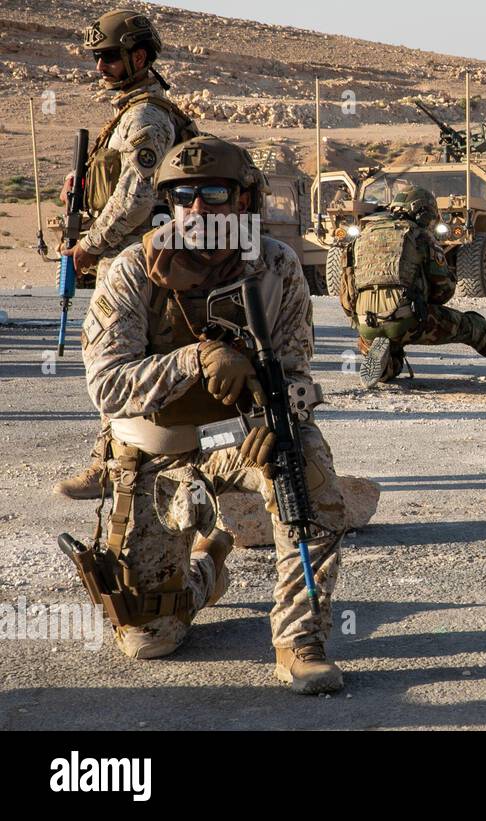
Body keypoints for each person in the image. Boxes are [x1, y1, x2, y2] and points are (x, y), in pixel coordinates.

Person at [77, 135, 348, 692]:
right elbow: (107, 386)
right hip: (157, 449)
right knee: (150, 637)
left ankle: (299, 639)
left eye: (215, 193)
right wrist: (196, 360)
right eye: (184, 195)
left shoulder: (277, 266)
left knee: (308, 477)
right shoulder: (132, 270)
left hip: (240, 439)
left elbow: (297, 372)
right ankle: (210, 557)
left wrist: (281, 422)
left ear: (245, 201)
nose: (198, 208)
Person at [53, 8, 200, 500]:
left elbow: (137, 196)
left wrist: (89, 248)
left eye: (110, 57)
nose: (101, 68)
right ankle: (122, 460)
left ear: (139, 56)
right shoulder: (132, 112)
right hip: (136, 255)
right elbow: (119, 183)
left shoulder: (146, 117)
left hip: (137, 258)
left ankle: (114, 465)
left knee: (115, 358)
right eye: (98, 58)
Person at [340, 186, 486, 388]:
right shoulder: (419, 237)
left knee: (390, 342)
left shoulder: (359, 239)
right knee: (475, 327)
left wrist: (364, 321)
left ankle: (386, 364)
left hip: (366, 324)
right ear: (422, 213)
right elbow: (443, 290)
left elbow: (346, 296)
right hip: (409, 321)